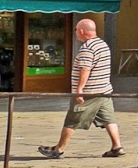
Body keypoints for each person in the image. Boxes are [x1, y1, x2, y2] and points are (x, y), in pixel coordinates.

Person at [39, 18, 123, 159]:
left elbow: (85, 69)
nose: (76, 33)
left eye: (76, 30)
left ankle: (58, 149)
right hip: (104, 90)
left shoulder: (87, 48)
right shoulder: (103, 45)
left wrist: (79, 90)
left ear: (82, 31)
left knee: (72, 120)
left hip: (89, 92)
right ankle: (117, 147)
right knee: (109, 119)